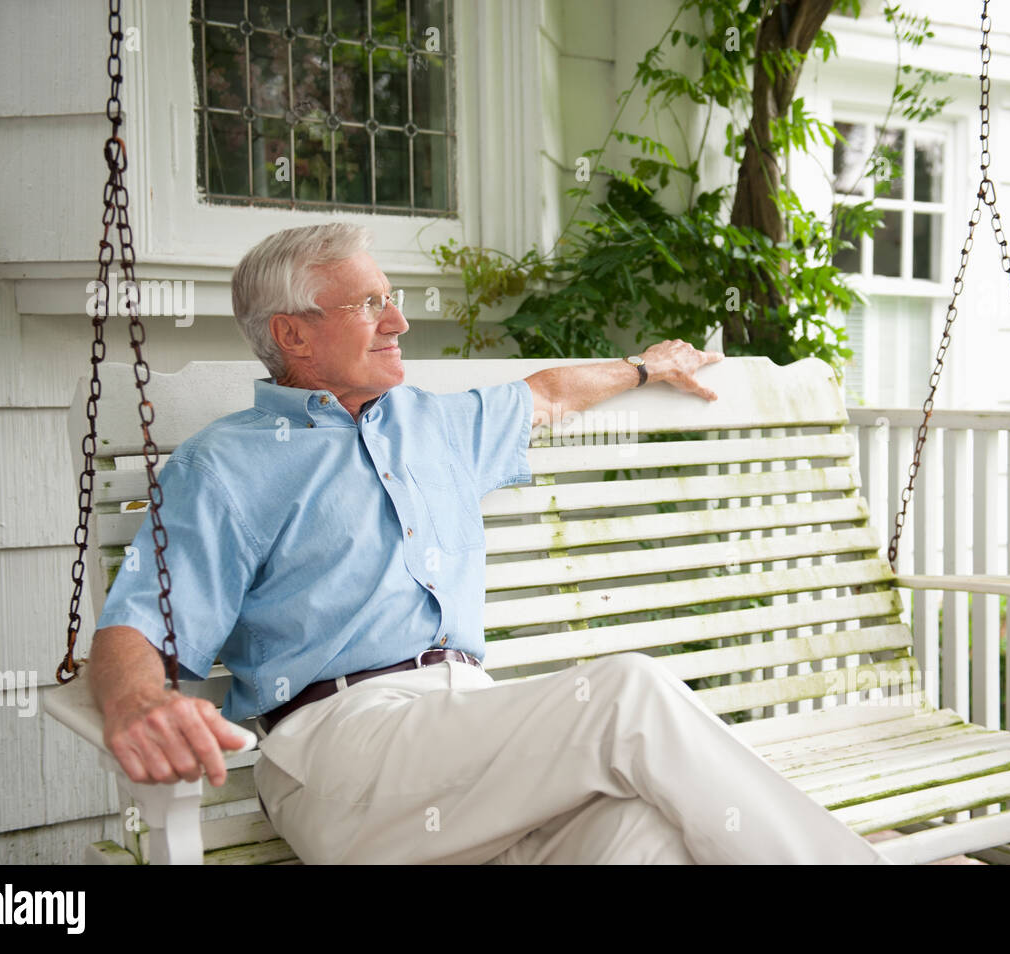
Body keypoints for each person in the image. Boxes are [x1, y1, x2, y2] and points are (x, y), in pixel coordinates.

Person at [88, 223, 892, 865]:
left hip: (477, 751)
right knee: (625, 694)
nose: (398, 320)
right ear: (293, 334)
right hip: (345, 757)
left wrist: (644, 369)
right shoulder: (225, 466)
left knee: (647, 843)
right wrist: (138, 704)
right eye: (369, 305)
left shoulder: (435, 423)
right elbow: (138, 626)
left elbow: (545, 393)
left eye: (390, 298)